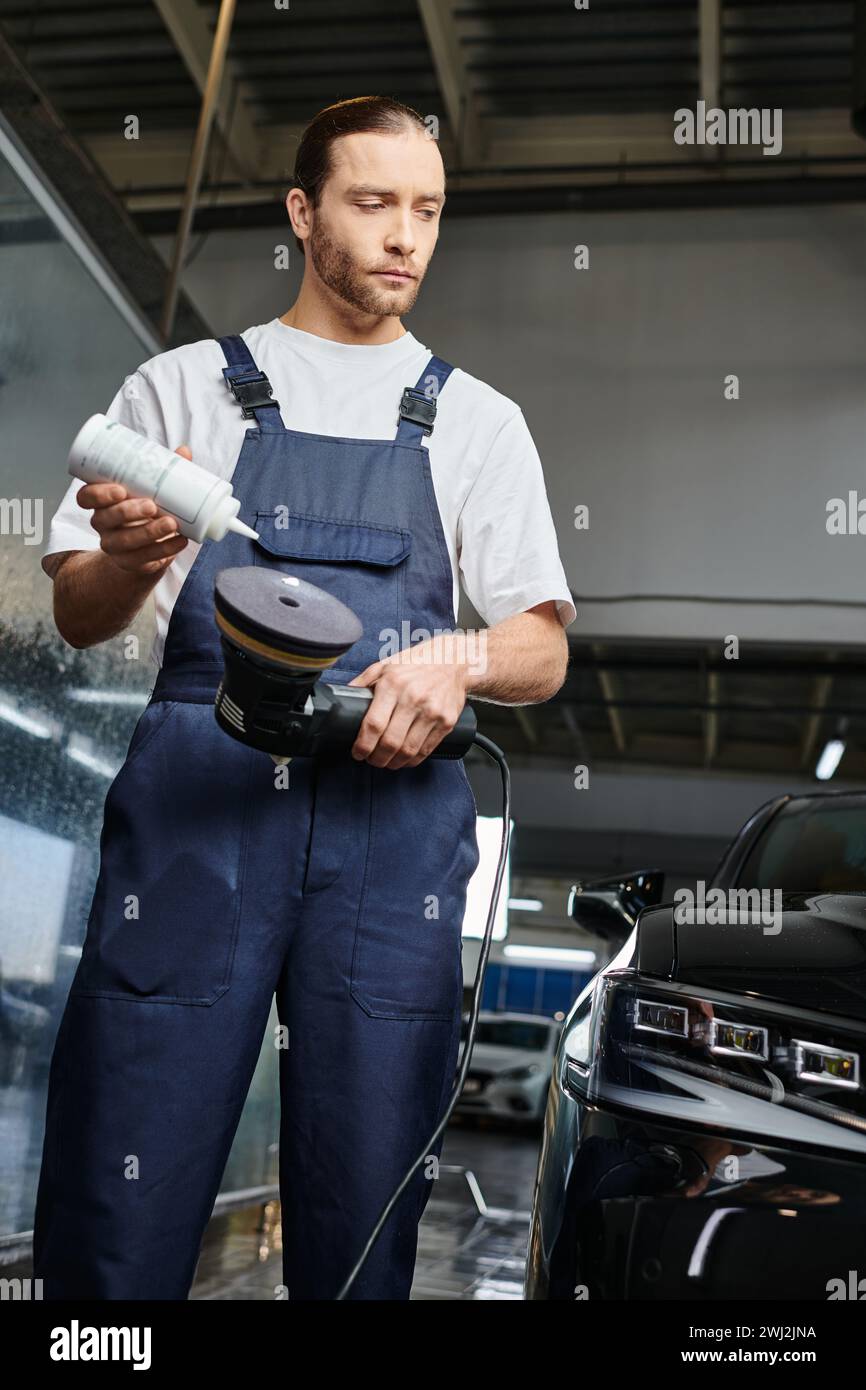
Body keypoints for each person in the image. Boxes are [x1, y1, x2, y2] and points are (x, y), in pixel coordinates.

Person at [34, 95, 575, 1300]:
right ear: (301, 212)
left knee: (368, 1188)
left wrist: (457, 661)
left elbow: (539, 648)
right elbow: (78, 615)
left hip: (393, 835)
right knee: (124, 1165)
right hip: (197, 816)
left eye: (426, 210)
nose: (404, 237)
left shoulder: (479, 424)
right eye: (372, 203)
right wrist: (127, 554)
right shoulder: (182, 390)